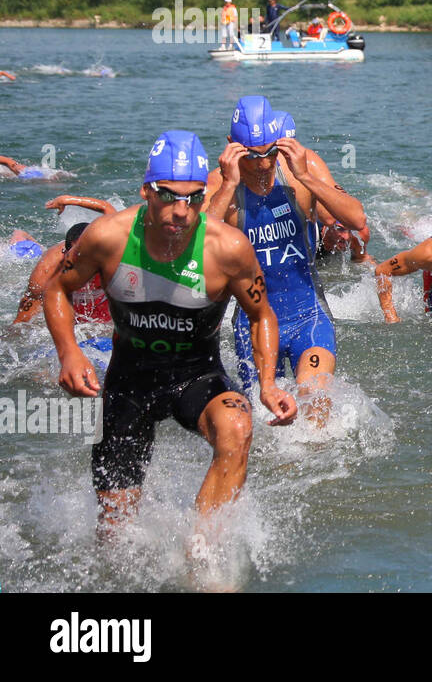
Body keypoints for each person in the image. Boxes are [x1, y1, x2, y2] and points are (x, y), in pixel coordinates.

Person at [45, 130, 295, 539]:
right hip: (128, 383)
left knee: (237, 425)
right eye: (169, 195)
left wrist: (267, 384)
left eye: (195, 197)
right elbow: (58, 287)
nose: (183, 210)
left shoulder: (227, 249)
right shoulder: (109, 236)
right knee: (114, 534)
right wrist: (69, 353)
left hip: (198, 376)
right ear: (147, 190)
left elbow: (261, 314)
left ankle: (205, 554)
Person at [205, 97, 367, 421]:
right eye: (252, 156)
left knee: (315, 399)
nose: (263, 164)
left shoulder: (298, 170)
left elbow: (356, 219)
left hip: (309, 315)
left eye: (269, 152)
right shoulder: (218, 185)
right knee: (260, 425)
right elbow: (192, 254)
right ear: (231, 147)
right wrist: (228, 187)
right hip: (252, 324)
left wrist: (306, 177)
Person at [11, 196, 117, 328]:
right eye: (77, 257)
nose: (84, 263)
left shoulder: (113, 251)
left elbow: (107, 208)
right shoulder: (47, 271)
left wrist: (68, 200)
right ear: (65, 255)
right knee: (24, 252)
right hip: (55, 262)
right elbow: (22, 323)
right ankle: (20, 237)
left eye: (88, 256)